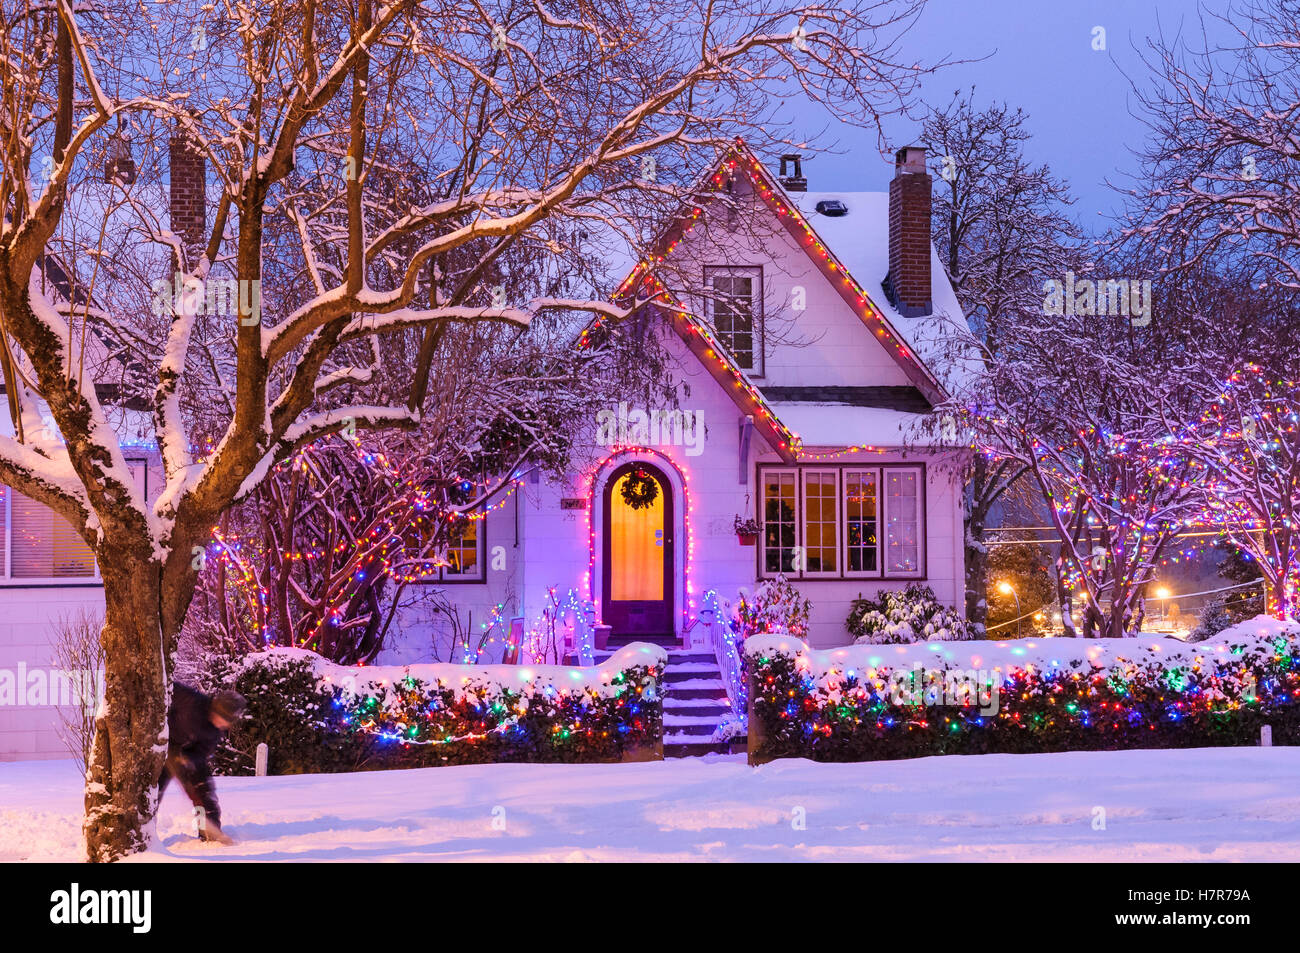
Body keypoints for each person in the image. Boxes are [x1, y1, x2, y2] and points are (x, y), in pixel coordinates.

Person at [158, 683, 246, 845]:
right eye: (221, 716)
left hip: (184, 757)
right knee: (152, 794)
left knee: (203, 792)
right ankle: (141, 832)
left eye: (227, 721)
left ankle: (208, 830)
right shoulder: (191, 701)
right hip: (159, 750)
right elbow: (167, 685)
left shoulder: (213, 732)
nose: (222, 723)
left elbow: (201, 754)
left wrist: (187, 760)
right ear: (215, 707)